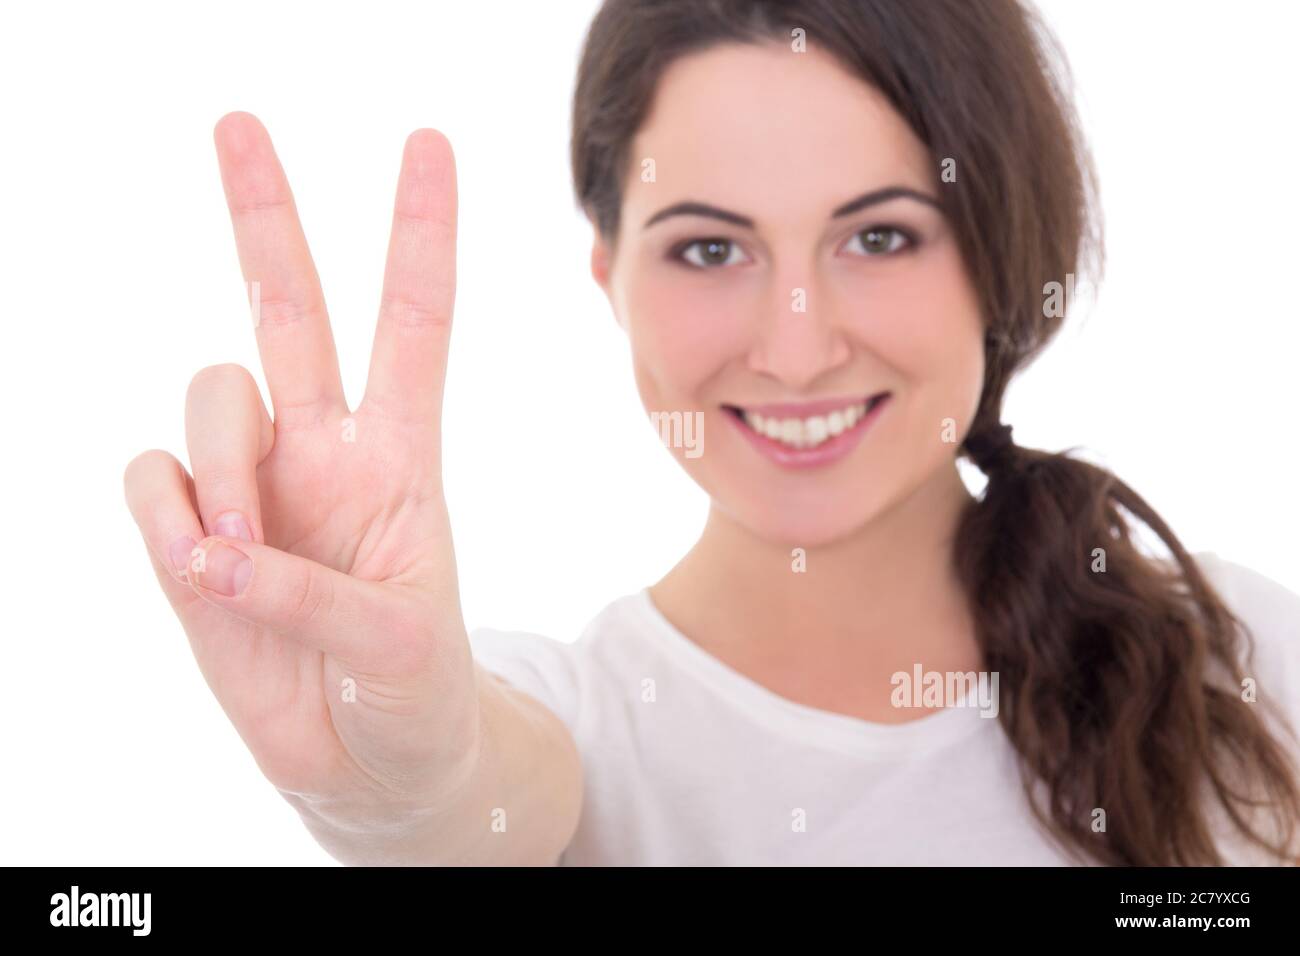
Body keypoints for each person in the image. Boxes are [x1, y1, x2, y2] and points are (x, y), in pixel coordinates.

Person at [124, 0, 1300, 865]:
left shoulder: (1246, 660)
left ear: (996, 255)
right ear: (609, 275)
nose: (795, 349)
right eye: (708, 248)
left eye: (880, 236)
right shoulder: (566, 728)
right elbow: (471, 795)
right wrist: (398, 785)